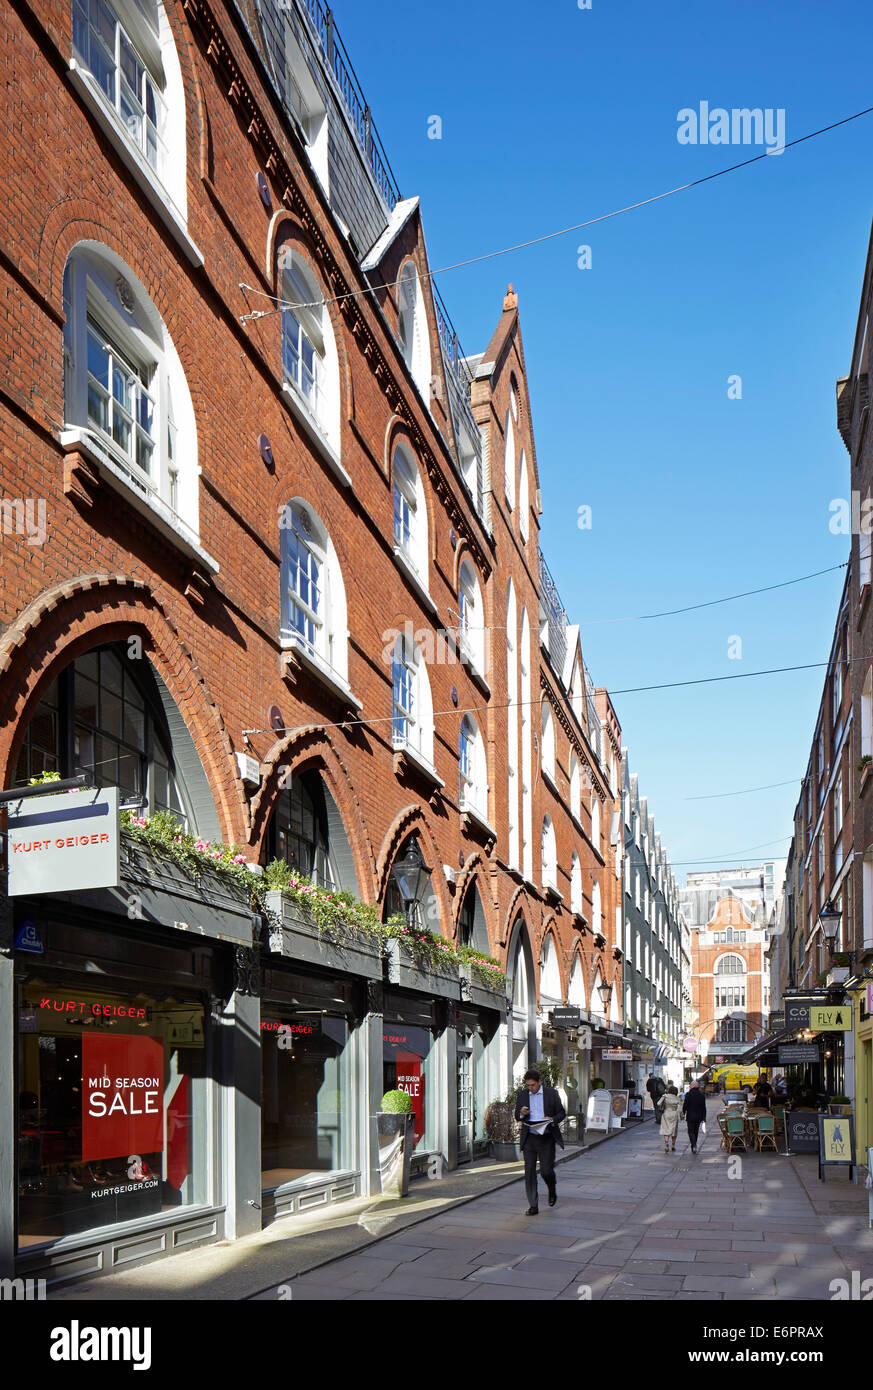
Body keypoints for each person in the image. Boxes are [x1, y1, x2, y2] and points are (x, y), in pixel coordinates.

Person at [514, 1069, 566, 1215]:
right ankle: (533, 1206)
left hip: (546, 1137)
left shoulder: (551, 1094)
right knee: (529, 1172)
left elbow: (562, 1112)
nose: (530, 1088)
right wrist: (521, 1113)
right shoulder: (522, 1095)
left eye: (533, 1085)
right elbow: (517, 1116)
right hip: (529, 1138)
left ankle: (552, 1189)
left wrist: (552, 1119)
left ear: (539, 1083)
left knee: (546, 1171)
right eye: (528, 1085)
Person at [681, 1079, 707, 1154]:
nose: (689, 1086)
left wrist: (683, 1112)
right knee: (696, 1131)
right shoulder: (701, 1095)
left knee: (690, 1131)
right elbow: (703, 1107)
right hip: (699, 1117)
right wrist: (704, 1117)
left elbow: (685, 1105)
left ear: (692, 1086)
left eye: (690, 1085)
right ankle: (694, 1145)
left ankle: (693, 1144)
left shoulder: (688, 1094)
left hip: (690, 1116)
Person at [659, 1085, 681, 1152]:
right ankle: (673, 1145)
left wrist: (663, 1105)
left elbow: (658, 1103)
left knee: (666, 1129)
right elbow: (680, 1109)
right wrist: (681, 1116)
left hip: (666, 1114)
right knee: (674, 1130)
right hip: (674, 1114)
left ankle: (666, 1144)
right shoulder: (677, 1098)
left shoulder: (665, 1096)